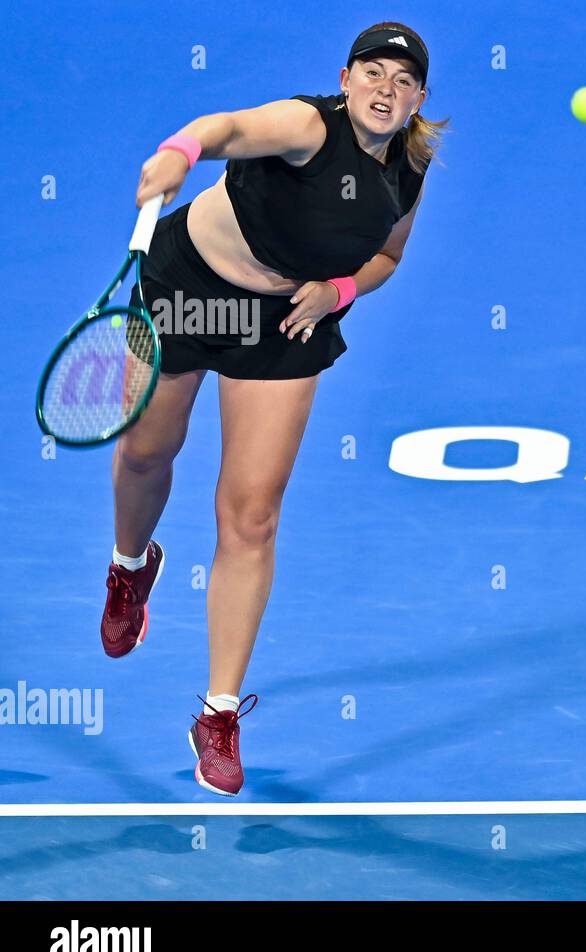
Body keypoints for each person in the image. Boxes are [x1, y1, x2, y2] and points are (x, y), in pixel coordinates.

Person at [98, 21, 449, 796]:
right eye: (373, 73)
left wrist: (341, 291)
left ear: (419, 96)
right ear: (346, 78)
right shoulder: (304, 125)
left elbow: (388, 254)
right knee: (147, 452)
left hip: (287, 320)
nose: (386, 89)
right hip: (188, 291)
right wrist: (176, 155)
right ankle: (130, 568)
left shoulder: (410, 167)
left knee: (251, 514)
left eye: (404, 80)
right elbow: (221, 129)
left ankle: (218, 713)